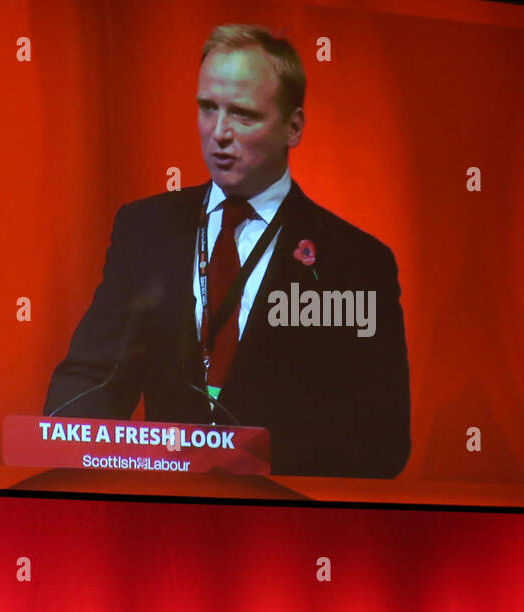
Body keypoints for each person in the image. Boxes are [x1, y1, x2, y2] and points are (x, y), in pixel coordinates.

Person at [44, 24, 410, 479]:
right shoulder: (145, 228)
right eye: (207, 108)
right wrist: (61, 454)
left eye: (242, 114)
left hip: (286, 524)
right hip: (162, 515)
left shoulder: (357, 262)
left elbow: (383, 438)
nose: (218, 133)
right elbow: (92, 377)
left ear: (293, 127)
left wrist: (243, 460)